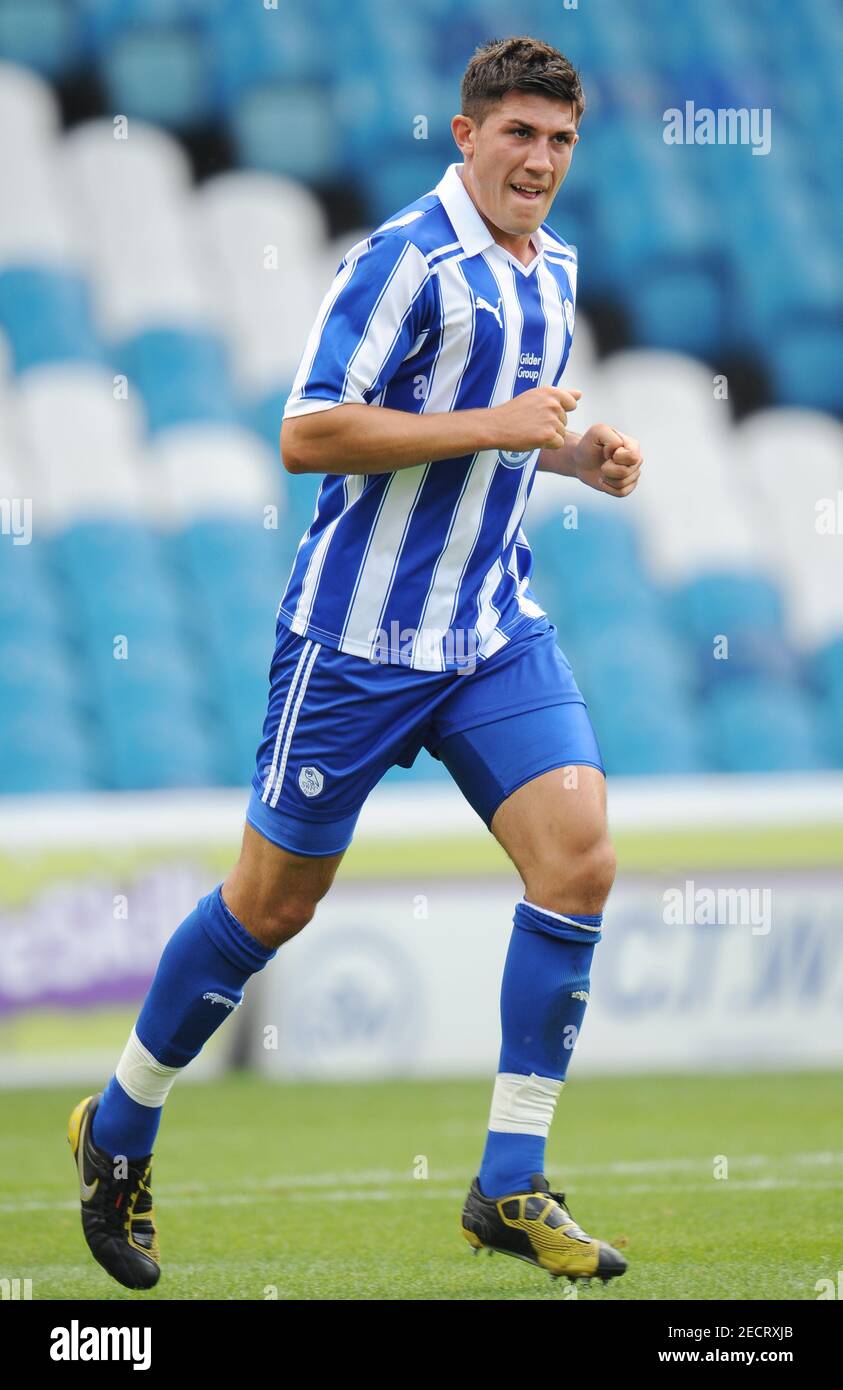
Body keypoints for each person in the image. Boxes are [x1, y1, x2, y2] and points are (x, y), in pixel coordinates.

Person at [68, 34, 642, 1290]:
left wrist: (570, 455)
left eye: (558, 141)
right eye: (517, 136)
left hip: (489, 630)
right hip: (358, 642)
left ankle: (509, 1181)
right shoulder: (399, 261)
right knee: (271, 905)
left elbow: (498, 430)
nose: (538, 160)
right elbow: (308, 431)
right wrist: (495, 425)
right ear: (464, 134)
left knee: (581, 856)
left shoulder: (554, 274)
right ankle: (117, 1129)